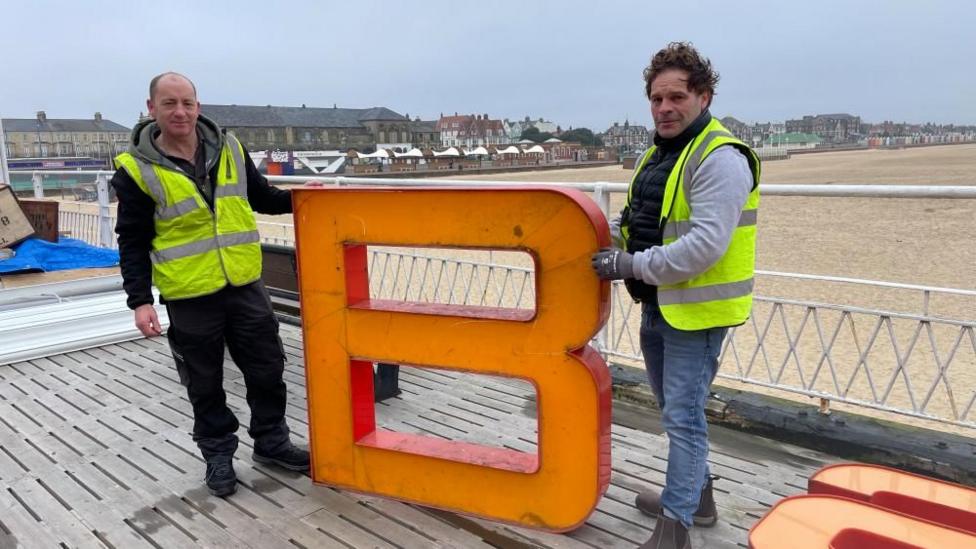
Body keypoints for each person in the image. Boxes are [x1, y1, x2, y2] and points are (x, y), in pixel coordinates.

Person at [591, 43, 760, 549]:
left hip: (698, 313)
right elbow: (640, 222)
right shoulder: (660, 153)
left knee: (683, 419)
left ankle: (676, 526)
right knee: (675, 412)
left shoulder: (720, 158)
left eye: (677, 96)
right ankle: (697, 499)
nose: (664, 108)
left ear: (703, 97)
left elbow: (703, 247)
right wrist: (603, 239)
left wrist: (626, 266)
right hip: (660, 305)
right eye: (656, 98)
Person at [112, 72, 310, 497]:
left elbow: (261, 197)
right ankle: (218, 455)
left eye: (187, 102)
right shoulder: (136, 170)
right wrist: (140, 300)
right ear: (152, 109)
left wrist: (306, 199)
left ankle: (271, 442)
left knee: (268, 369)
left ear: (198, 106)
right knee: (204, 382)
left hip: (244, 284)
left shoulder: (231, 148)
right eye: (169, 103)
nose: (180, 111)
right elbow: (132, 238)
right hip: (190, 294)